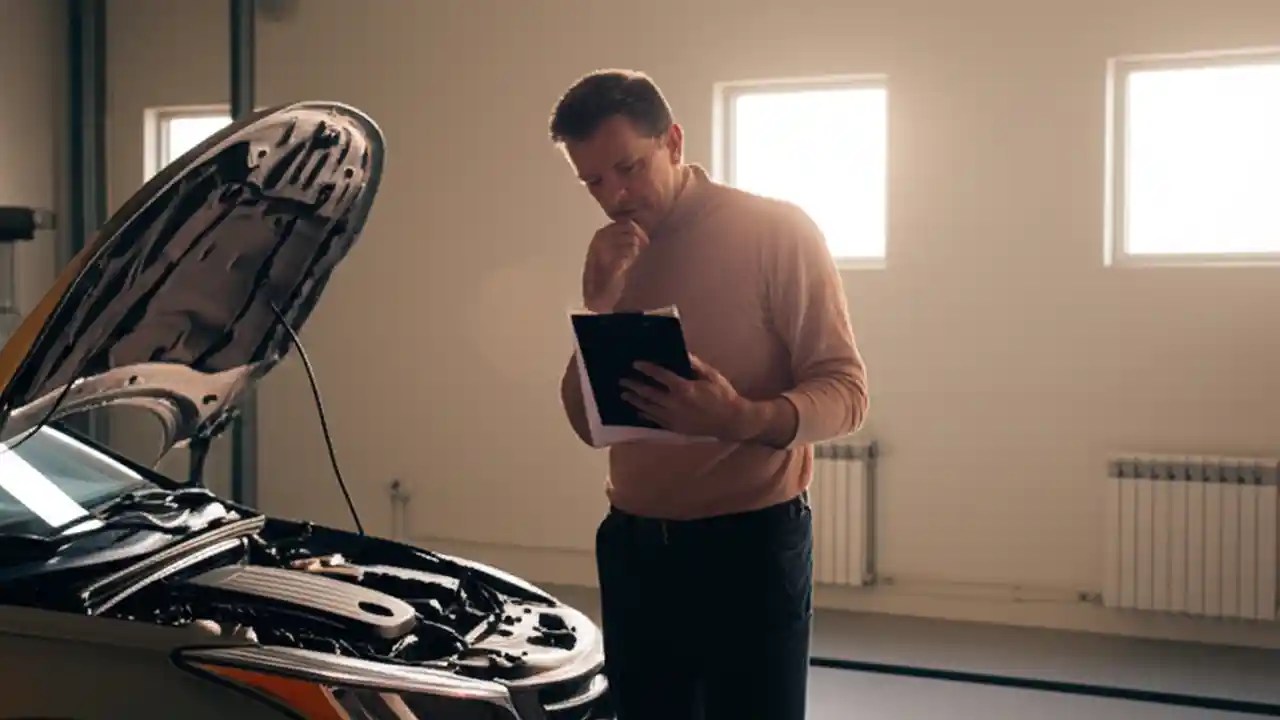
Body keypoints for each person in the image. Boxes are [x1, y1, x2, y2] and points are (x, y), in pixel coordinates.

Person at [549, 69, 869, 720]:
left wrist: (740, 418)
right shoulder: (616, 254)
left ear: (673, 140)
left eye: (629, 167)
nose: (615, 195)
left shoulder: (776, 232)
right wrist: (598, 306)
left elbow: (846, 390)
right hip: (635, 547)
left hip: (749, 546)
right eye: (594, 182)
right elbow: (587, 424)